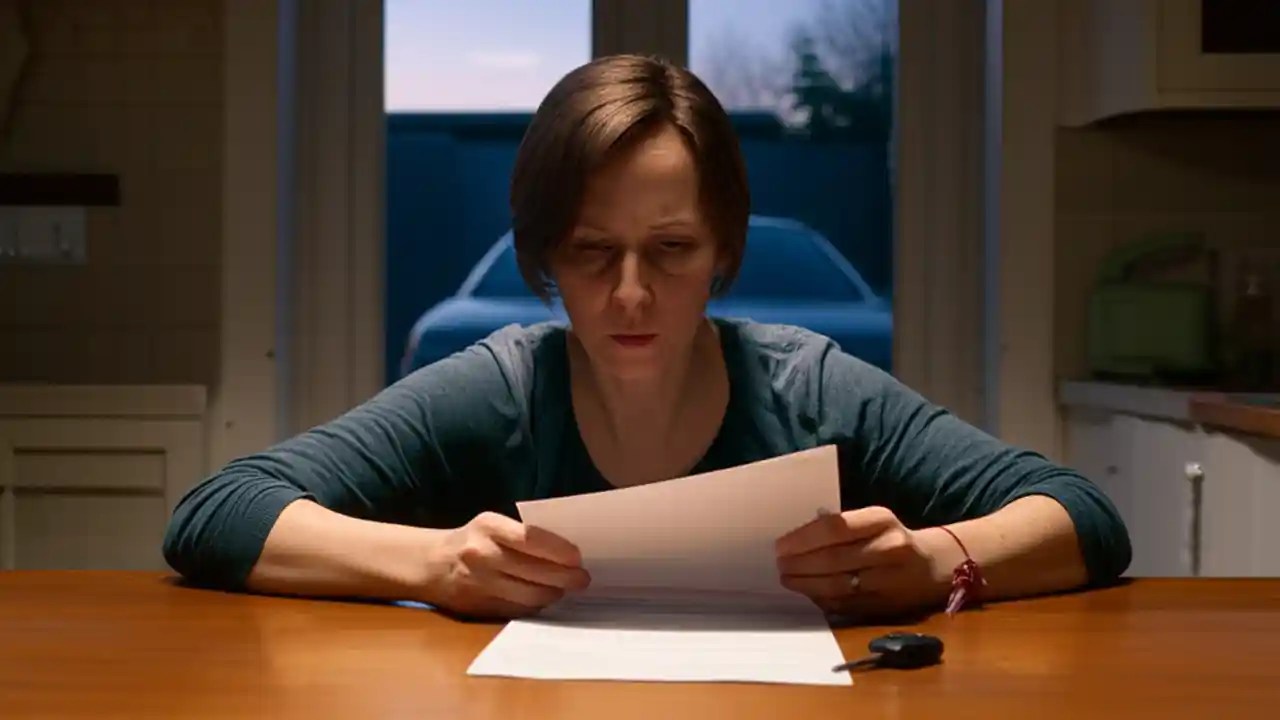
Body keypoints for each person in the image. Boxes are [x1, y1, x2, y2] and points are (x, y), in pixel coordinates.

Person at [163, 54, 1130, 622]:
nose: (631, 294)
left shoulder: (810, 389)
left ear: (723, 250)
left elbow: (1082, 515)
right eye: (592, 253)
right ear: (543, 257)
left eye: (670, 250)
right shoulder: (499, 389)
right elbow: (218, 512)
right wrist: (433, 563)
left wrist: (939, 559)